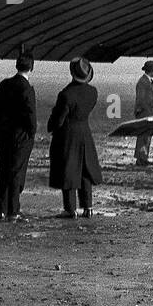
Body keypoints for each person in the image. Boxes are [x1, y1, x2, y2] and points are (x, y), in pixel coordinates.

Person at [48, 57, 103, 218]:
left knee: (69, 171)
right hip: (85, 133)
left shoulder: (66, 94)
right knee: (85, 171)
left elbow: (58, 120)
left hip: (67, 135)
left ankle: (70, 209)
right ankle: (88, 207)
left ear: (72, 72)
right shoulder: (93, 92)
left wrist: (51, 125)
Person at [0, 51, 36, 221]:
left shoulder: (3, 85)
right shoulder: (27, 89)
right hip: (21, 137)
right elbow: (31, 115)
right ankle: (14, 210)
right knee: (17, 173)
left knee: (4, 170)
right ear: (31, 68)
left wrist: (0, 130)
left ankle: (1, 210)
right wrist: (31, 133)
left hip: (4, 135)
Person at [134, 60, 153, 166]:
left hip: (147, 112)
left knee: (146, 136)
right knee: (143, 137)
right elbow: (141, 99)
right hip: (144, 113)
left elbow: (149, 98)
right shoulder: (143, 82)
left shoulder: (148, 81)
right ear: (152, 71)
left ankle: (143, 157)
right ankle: (141, 159)